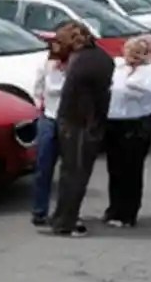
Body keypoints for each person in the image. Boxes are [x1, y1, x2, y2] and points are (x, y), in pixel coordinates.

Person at [49, 22, 114, 238]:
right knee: (74, 174)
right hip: (83, 122)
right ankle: (64, 217)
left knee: (73, 175)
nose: (56, 46)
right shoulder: (100, 57)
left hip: (79, 124)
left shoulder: (84, 62)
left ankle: (64, 221)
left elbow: (74, 96)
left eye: (60, 41)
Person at [103, 36, 151, 228]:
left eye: (138, 52)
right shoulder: (119, 68)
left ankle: (128, 213)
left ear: (146, 55)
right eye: (130, 51)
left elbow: (146, 91)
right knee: (115, 169)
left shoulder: (150, 73)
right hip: (114, 123)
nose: (133, 56)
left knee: (131, 170)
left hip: (137, 124)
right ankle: (114, 209)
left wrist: (122, 86)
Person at [31, 38, 68, 227]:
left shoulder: (75, 67)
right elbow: (38, 89)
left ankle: (65, 212)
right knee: (43, 167)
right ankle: (40, 211)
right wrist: (41, 106)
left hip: (69, 121)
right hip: (49, 118)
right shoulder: (46, 65)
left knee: (69, 171)